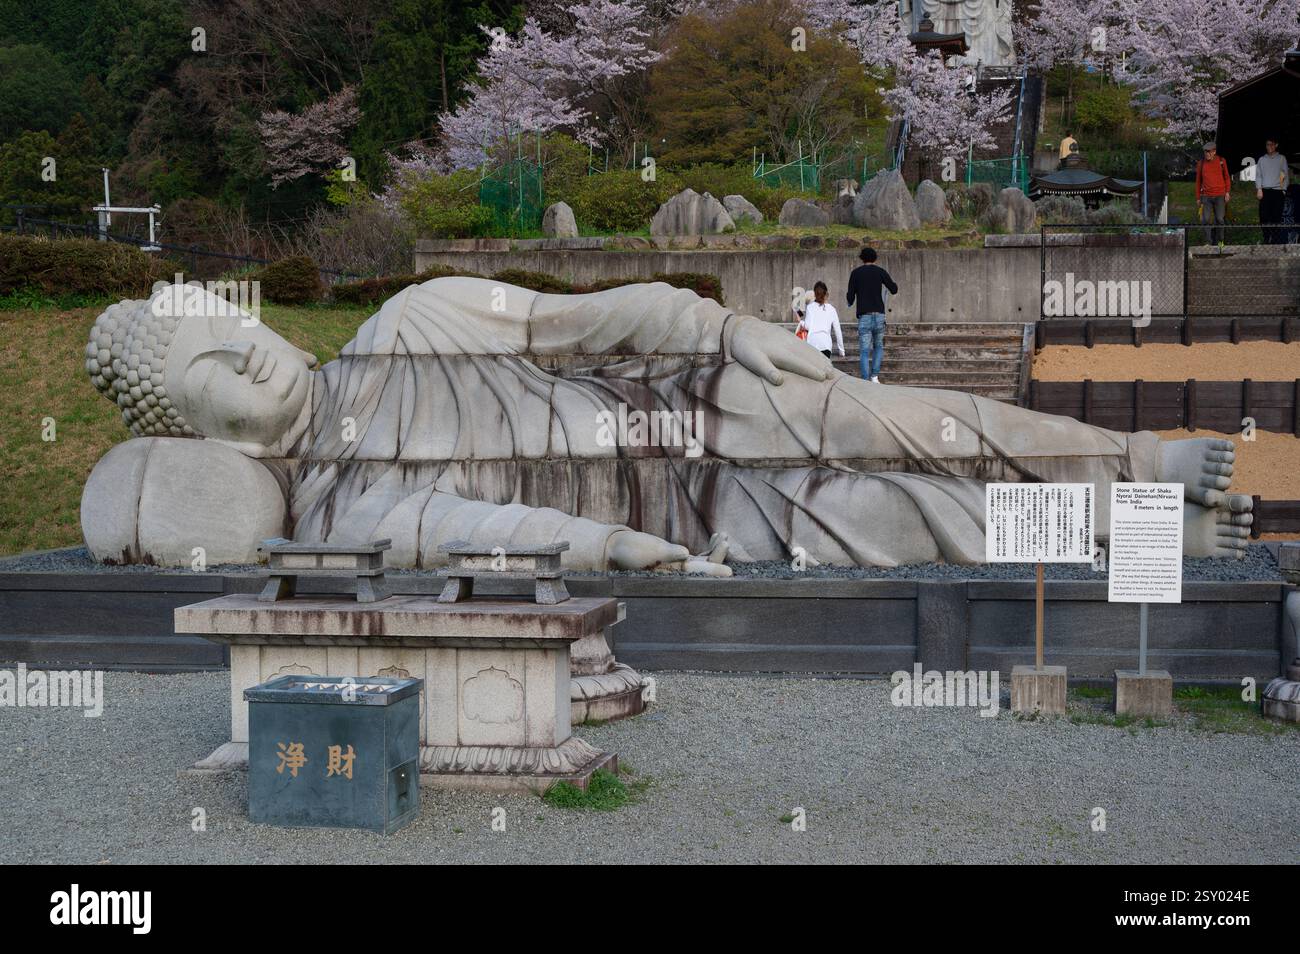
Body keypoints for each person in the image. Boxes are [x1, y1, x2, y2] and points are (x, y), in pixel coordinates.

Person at [83, 279, 1253, 568]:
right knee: (903, 521)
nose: (254, 352)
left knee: (914, 420)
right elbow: (473, 527)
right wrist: (614, 549)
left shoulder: (414, 317)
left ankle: (1138, 460)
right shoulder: (337, 510)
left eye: (236, 328)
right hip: (679, 506)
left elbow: (581, 320)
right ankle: (1153, 537)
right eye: (218, 374)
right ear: (215, 436)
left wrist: (720, 328)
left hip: (680, 402)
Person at [846, 246, 897, 382]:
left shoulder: (855, 273)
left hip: (864, 316)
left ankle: (864, 379)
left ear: (862, 258)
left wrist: (850, 302)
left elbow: (850, 295)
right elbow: (894, 289)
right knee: (878, 346)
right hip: (879, 315)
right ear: (875, 258)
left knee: (864, 350)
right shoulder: (880, 272)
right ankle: (874, 376)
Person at [796, 281, 844, 360]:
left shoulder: (810, 307)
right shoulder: (832, 309)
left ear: (815, 294)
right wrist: (842, 350)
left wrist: (800, 322)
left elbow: (808, 326)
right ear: (826, 294)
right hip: (826, 345)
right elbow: (837, 331)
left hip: (812, 344)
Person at [1195, 141, 1232, 246]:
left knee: (1220, 219)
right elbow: (1198, 182)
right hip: (1206, 196)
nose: (1207, 154)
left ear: (1214, 151)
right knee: (1205, 219)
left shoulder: (1221, 161)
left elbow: (1227, 178)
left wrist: (1227, 192)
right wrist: (1198, 197)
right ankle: (1208, 242)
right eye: (1205, 152)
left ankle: (1220, 241)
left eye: (1209, 152)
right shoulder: (1201, 163)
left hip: (1220, 195)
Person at [1256, 137, 1289, 244]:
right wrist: (1259, 189)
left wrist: (1283, 190)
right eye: (1267, 145)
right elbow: (1258, 176)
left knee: (1276, 217)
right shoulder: (1262, 159)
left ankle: (1275, 240)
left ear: (1276, 145)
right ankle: (1266, 237)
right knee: (1263, 217)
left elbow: (1284, 175)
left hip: (1277, 192)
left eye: (1271, 144)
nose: (1269, 147)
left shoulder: (1281, 158)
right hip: (1265, 191)